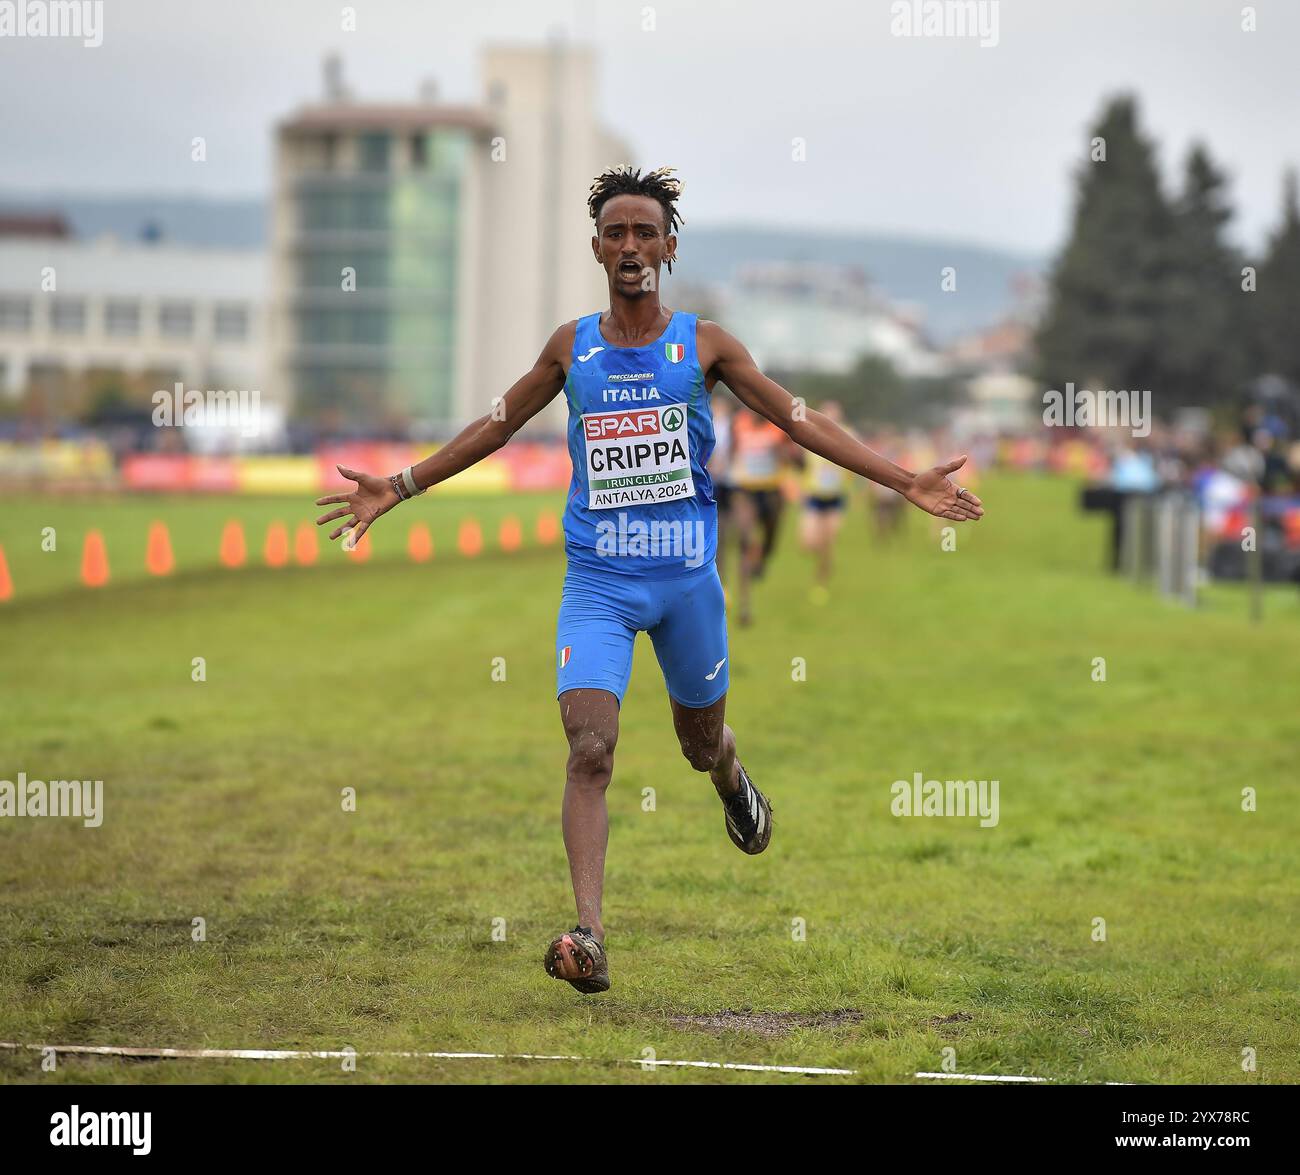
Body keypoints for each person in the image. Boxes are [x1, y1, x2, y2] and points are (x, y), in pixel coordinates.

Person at [313, 165, 985, 995]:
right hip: (596, 581)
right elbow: (496, 424)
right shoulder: (572, 347)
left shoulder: (706, 346)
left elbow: (797, 419)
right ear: (595, 246)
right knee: (589, 749)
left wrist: (901, 479)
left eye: (645, 233)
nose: (630, 246)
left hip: (686, 582)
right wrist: (402, 484)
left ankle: (732, 777)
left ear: (669, 246)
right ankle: (589, 933)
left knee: (700, 744)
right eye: (615, 233)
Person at [798, 399, 855, 604]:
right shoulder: (809, 434)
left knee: (828, 540)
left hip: (836, 496)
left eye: (834, 413)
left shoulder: (848, 435)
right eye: (826, 413)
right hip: (814, 495)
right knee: (808, 541)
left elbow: (855, 464)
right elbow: (801, 465)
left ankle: (821, 580)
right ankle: (821, 561)